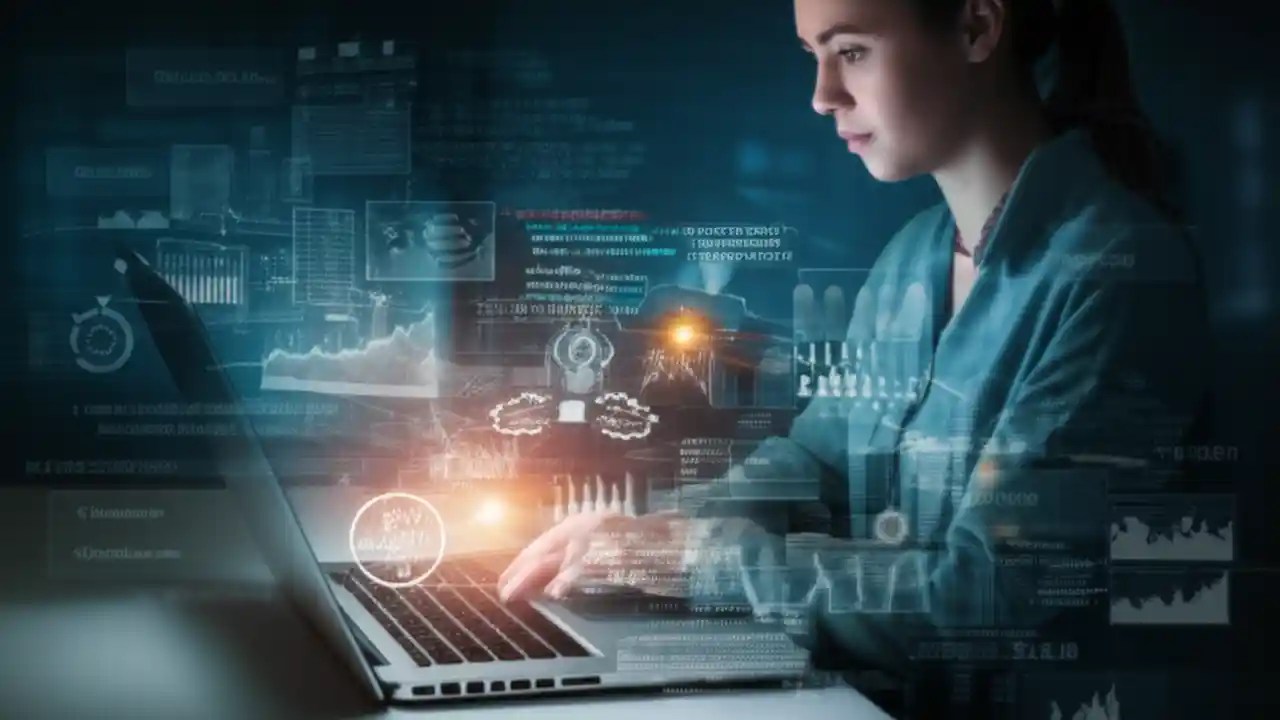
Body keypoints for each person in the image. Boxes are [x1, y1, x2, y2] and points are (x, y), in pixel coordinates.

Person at [499, 0, 1211, 689]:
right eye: (814, 57)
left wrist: (699, 559)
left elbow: (981, 602)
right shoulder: (913, 256)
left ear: (976, 26)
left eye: (852, 52)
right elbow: (819, 462)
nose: (821, 95)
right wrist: (653, 532)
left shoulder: (1119, 275)